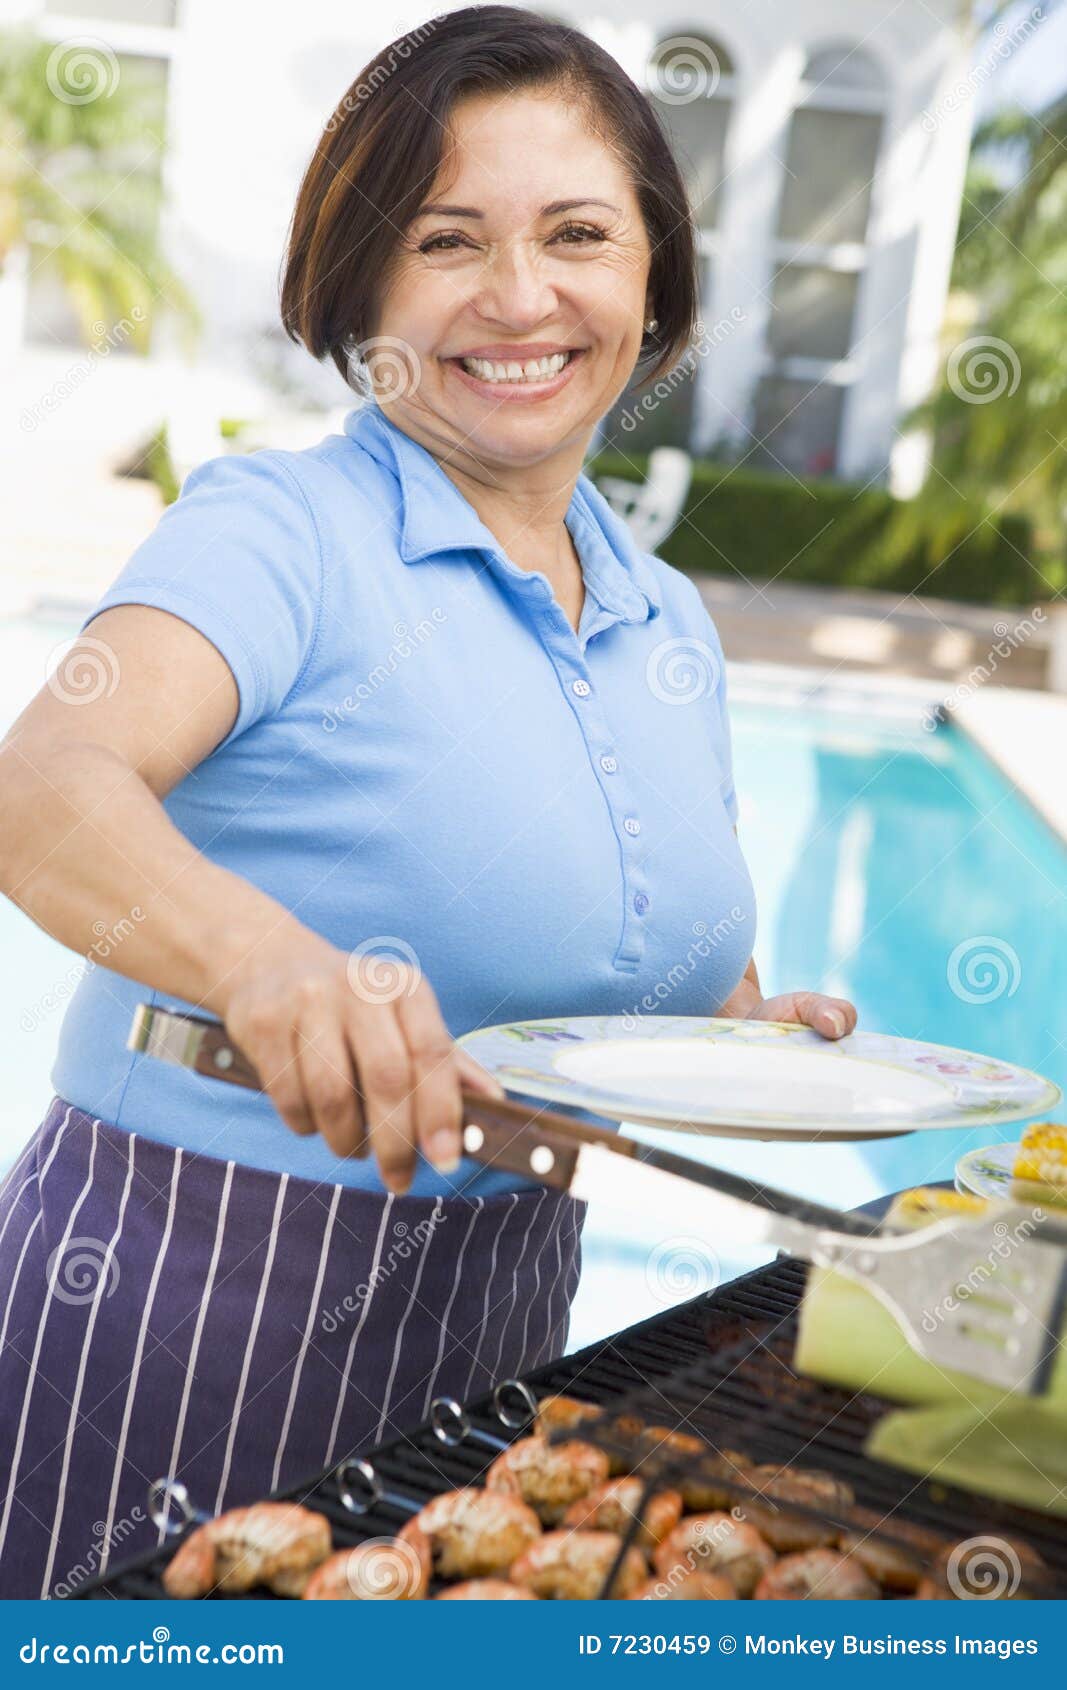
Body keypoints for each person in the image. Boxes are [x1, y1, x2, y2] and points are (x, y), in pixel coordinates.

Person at [0, 6, 856, 1597]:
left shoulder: (667, 620)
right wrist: (266, 961)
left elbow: (616, 968)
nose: (521, 297)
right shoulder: (283, 527)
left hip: (504, 1324)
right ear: (366, 287)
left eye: (579, 235)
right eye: (448, 239)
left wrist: (747, 1042)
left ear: (653, 275)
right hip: (188, 1301)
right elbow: (43, 782)